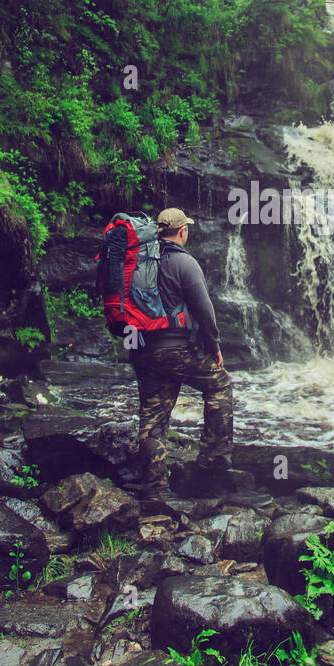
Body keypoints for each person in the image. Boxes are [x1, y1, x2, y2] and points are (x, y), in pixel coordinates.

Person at [128, 207, 233, 489]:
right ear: (183, 231)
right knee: (220, 384)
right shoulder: (184, 263)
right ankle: (212, 464)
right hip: (177, 349)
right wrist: (214, 346)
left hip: (142, 350)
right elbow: (204, 310)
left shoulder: (138, 260)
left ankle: (154, 489)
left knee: (154, 415)